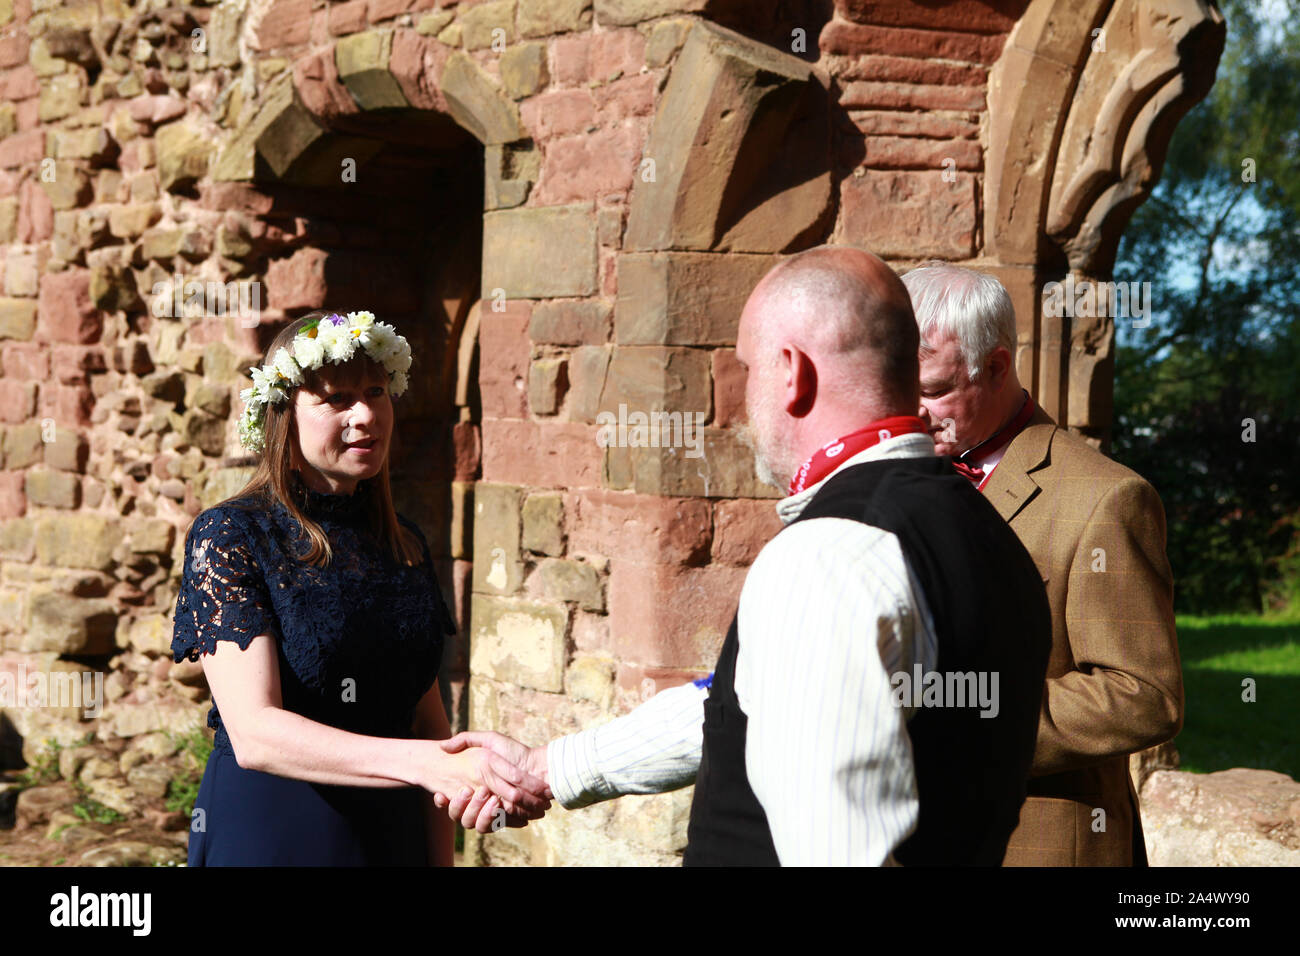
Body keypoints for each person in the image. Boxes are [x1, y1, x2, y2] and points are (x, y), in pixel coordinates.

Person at [438, 247, 1052, 865]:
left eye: (747, 368)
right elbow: (745, 703)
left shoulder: (830, 554)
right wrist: (552, 767)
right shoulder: (988, 531)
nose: (737, 399)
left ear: (791, 371)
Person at [172, 309, 550, 866]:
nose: (366, 414)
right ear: (283, 414)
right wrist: (427, 764)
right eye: (337, 399)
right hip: (278, 836)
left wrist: (440, 857)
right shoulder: (233, 534)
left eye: (376, 391)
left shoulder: (405, 544)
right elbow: (255, 733)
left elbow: (429, 724)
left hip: (394, 839)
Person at [900, 262, 1183, 865]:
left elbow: (1145, 694)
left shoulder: (1106, 498)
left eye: (930, 389)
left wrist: (962, 729)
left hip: (1041, 845)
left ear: (998, 365)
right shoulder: (890, 477)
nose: (910, 413)